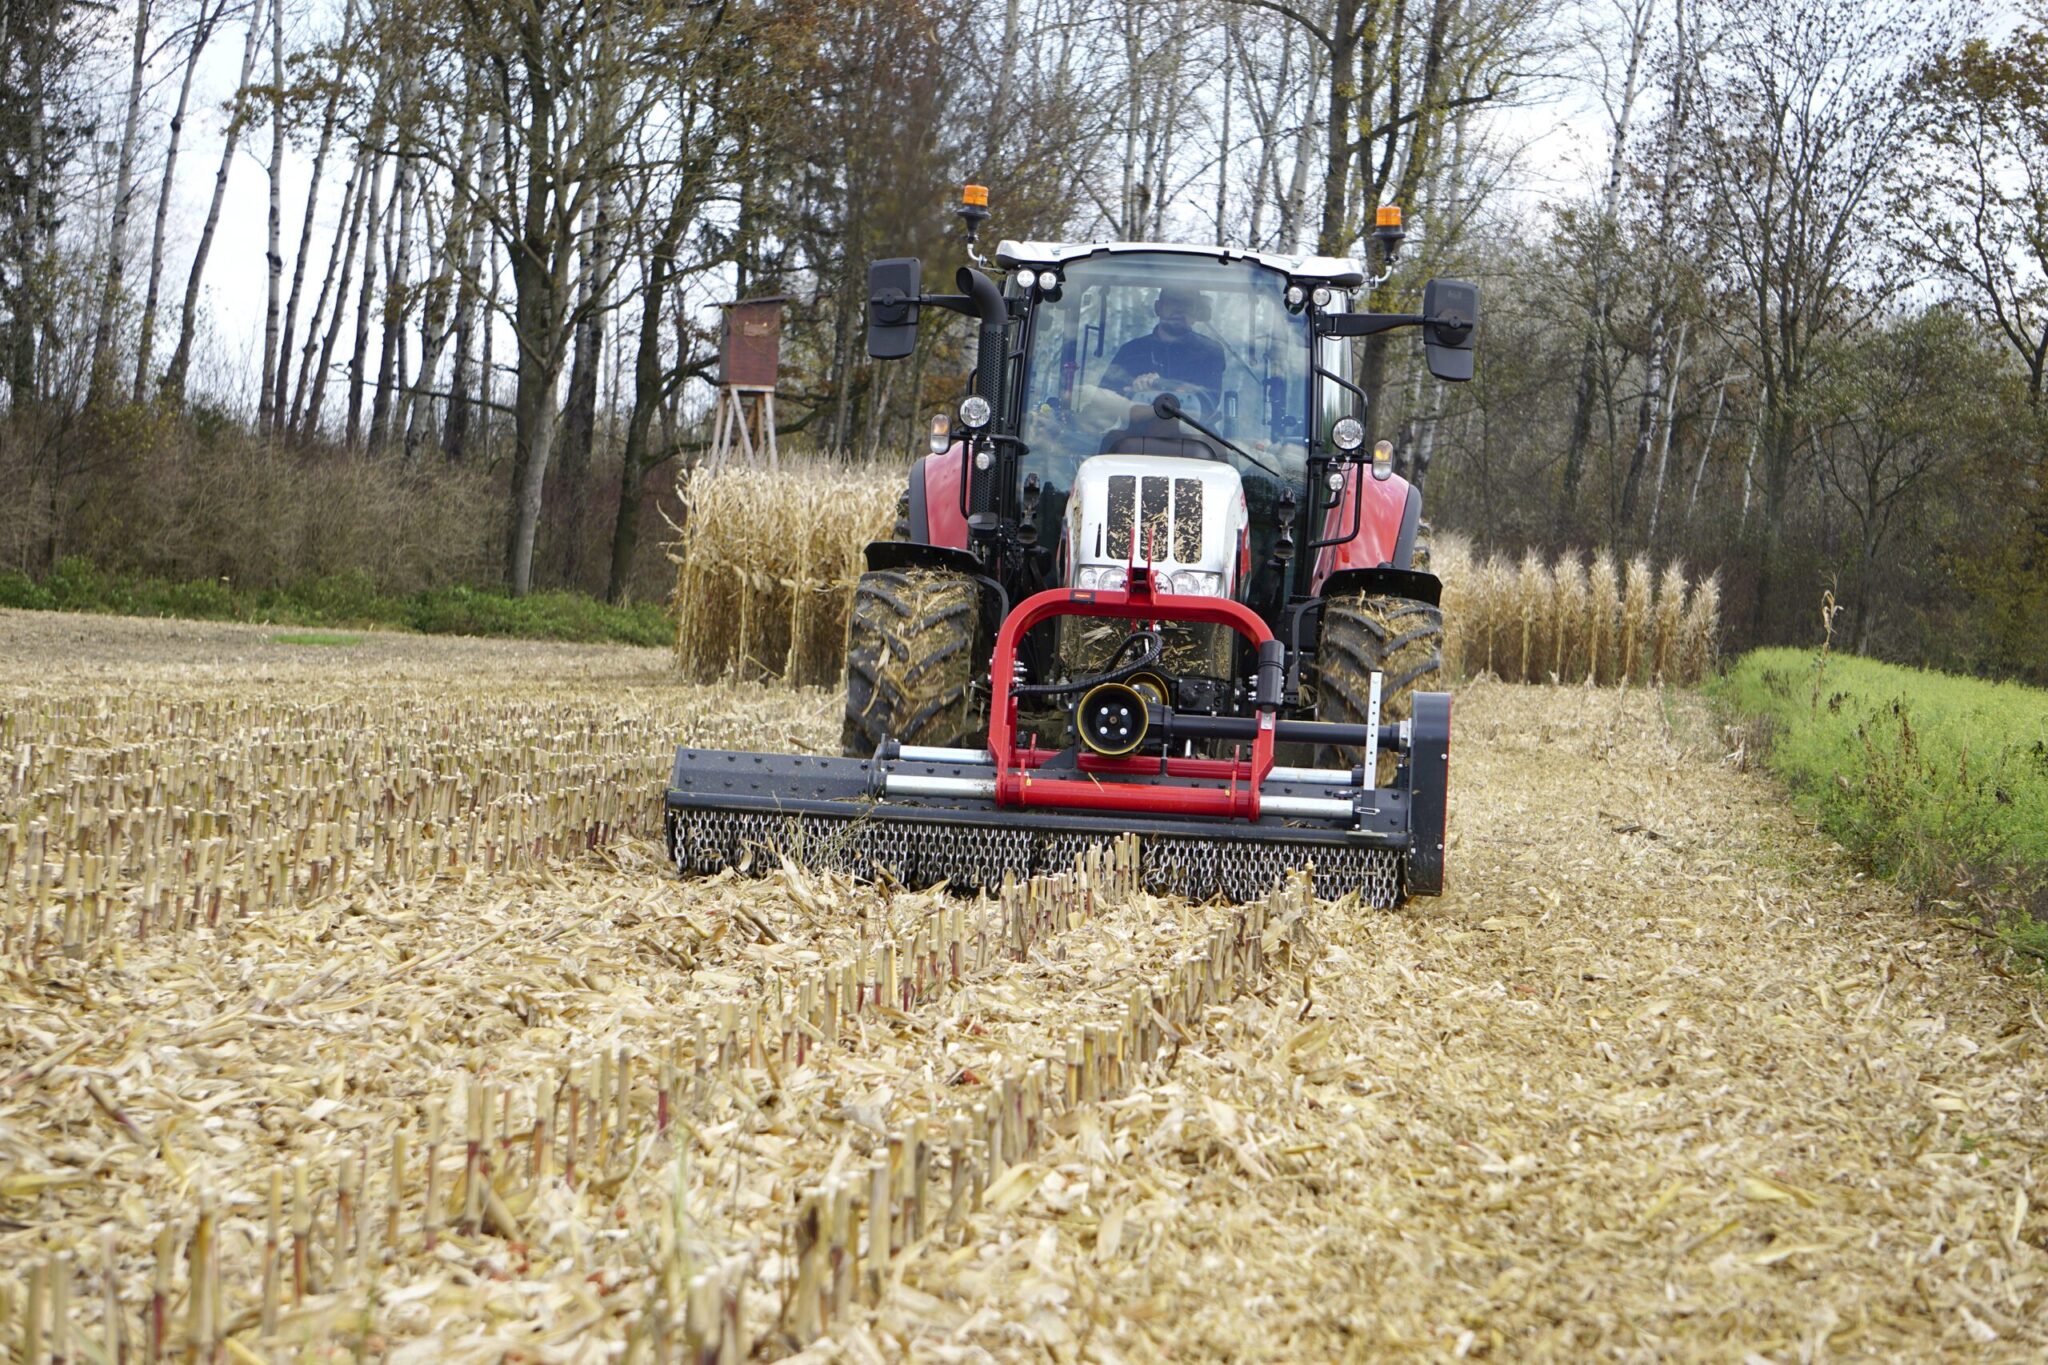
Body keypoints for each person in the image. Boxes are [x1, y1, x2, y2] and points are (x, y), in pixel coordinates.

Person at [1101, 285, 1225, 402]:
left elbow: (1208, 402)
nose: (1179, 309)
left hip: (1192, 425)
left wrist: (1159, 386)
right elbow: (1105, 400)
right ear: (1158, 308)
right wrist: (1133, 392)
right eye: (1172, 302)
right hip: (1138, 423)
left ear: (1196, 312)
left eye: (1187, 303)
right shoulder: (1130, 351)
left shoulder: (1210, 352)